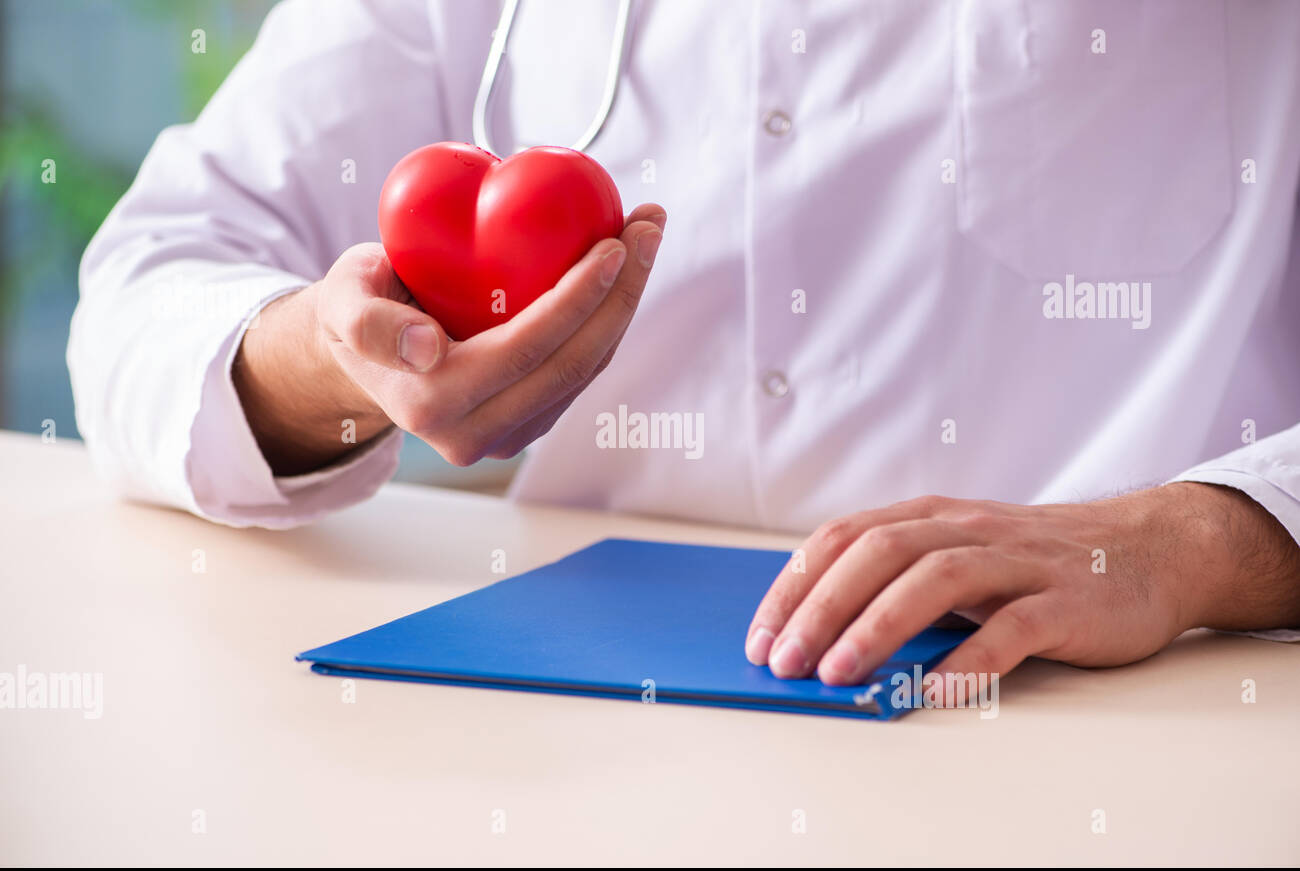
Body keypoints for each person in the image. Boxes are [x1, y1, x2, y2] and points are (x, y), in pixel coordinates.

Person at [68, 0, 1300, 697]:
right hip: (573, 730)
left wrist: (1193, 544)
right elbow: (147, 288)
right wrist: (337, 369)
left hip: (1122, 715)